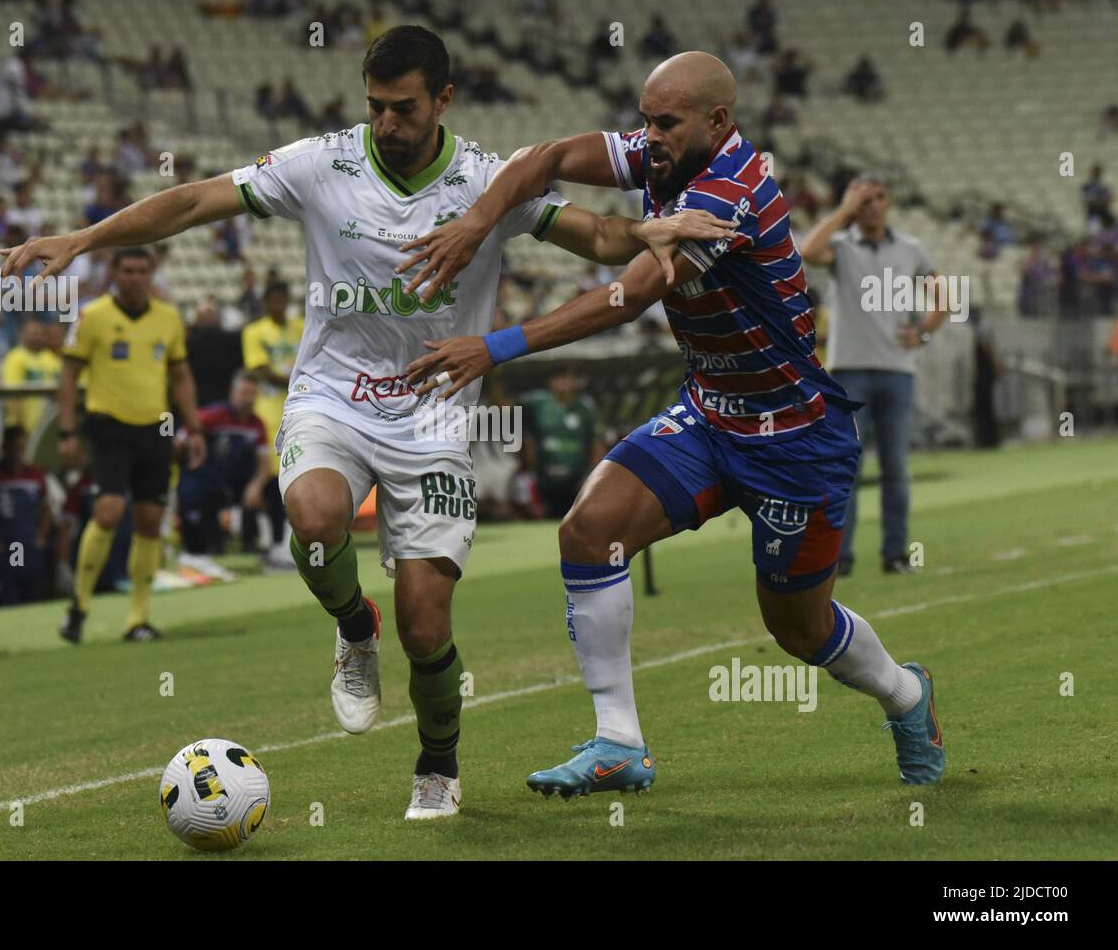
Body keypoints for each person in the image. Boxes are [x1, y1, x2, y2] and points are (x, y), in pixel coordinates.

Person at [0, 25, 733, 820]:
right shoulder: (324, 163)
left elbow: (592, 234)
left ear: (443, 100)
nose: (387, 123)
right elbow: (195, 199)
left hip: (436, 418)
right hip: (331, 397)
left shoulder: (488, 181)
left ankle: (439, 763)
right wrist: (85, 236)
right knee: (314, 520)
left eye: (405, 108)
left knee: (427, 625)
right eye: (376, 107)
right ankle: (355, 627)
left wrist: (647, 231)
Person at [401, 51, 946, 798]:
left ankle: (906, 696)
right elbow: (552, 156)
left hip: (792, 437)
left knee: (798, 628)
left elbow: (627, 296)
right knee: (588, 531)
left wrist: (493, 346)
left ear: (718, 121)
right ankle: (618, 741)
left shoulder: (730, 193)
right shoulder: (663, 158)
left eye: (666, 121)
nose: (648, 134)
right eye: (645, 118)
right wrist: (476, 219)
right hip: (708, 414)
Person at [45, 247, 207, 643]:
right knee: (109, 510)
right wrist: (67, 432)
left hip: (155, 427)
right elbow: (68, 377)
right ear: (114, 273)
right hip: (108, 425)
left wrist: (195, 427)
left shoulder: (168, 319)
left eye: (142, 271)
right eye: (128, 270)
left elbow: (180, 375)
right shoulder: (92, 316)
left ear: (151, 275)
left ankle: (137, 617)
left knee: (150, 520)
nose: (135, 277)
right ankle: (79, 606)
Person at [800, 175, 948, 576]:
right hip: (849, 373)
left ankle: (894, 553)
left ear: (889, 202)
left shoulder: (911, 248)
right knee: (847, 467)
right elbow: (807, 250)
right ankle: (839, 558)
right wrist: (844, 210)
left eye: (878, 197)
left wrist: (922, 333)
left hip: (898, 371)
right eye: (864, 199)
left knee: (896, 468)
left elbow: (945, 299)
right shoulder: (842, 246)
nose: (872, 205)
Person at [176, 372, 272, 556]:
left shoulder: (257, 424)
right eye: (245, 393)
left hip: (233, 481)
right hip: (204, 480)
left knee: (269, 489)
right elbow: (179, 442)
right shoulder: (210, 416)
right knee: (200, 516)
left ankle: (257, 547)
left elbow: (264, 464)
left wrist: (257, 485)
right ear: (232, 392)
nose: (249, 399)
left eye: (253, 394)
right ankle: (204, 545)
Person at [239, 280, 301, 563]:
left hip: (298, 409)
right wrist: (299, 379)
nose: (277, 306)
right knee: (270, 478)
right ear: (265, 303)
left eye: (281, 300)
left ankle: (285, 539)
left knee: (295, 475)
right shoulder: (254, 332)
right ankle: (269, 540)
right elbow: (260, 370)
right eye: (272, 301)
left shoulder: (300, 326)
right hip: (267, 412)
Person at [0, 425, 53, 606]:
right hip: (2, 553)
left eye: (22, 448)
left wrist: (42, 535)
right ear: (4, 448)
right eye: (13, 448)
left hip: (27, 550)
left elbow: (47, 506)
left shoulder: (36, 475)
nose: (17, 454)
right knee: (6, 602)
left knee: (32, 602)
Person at [519, 364, 605, 518]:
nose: (563, 383)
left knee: (577, 520)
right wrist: (495, 381)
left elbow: (596, 444)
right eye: (558, 379)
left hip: (576, 480)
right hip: (544, 480)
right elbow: (505, 408)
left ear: (574, 382)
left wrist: (591, 475)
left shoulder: (585, 407)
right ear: (550, 382)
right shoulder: (537, 402)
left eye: (567, 378)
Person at [1, 317, 62, 431]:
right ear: (22, 334)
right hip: (23, 426)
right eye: (33, 333)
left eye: (40, 334)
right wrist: (17, 425)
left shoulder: (50, 358)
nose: (37, 337)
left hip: (47, 423)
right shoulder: (15, 357)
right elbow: (13, 393)